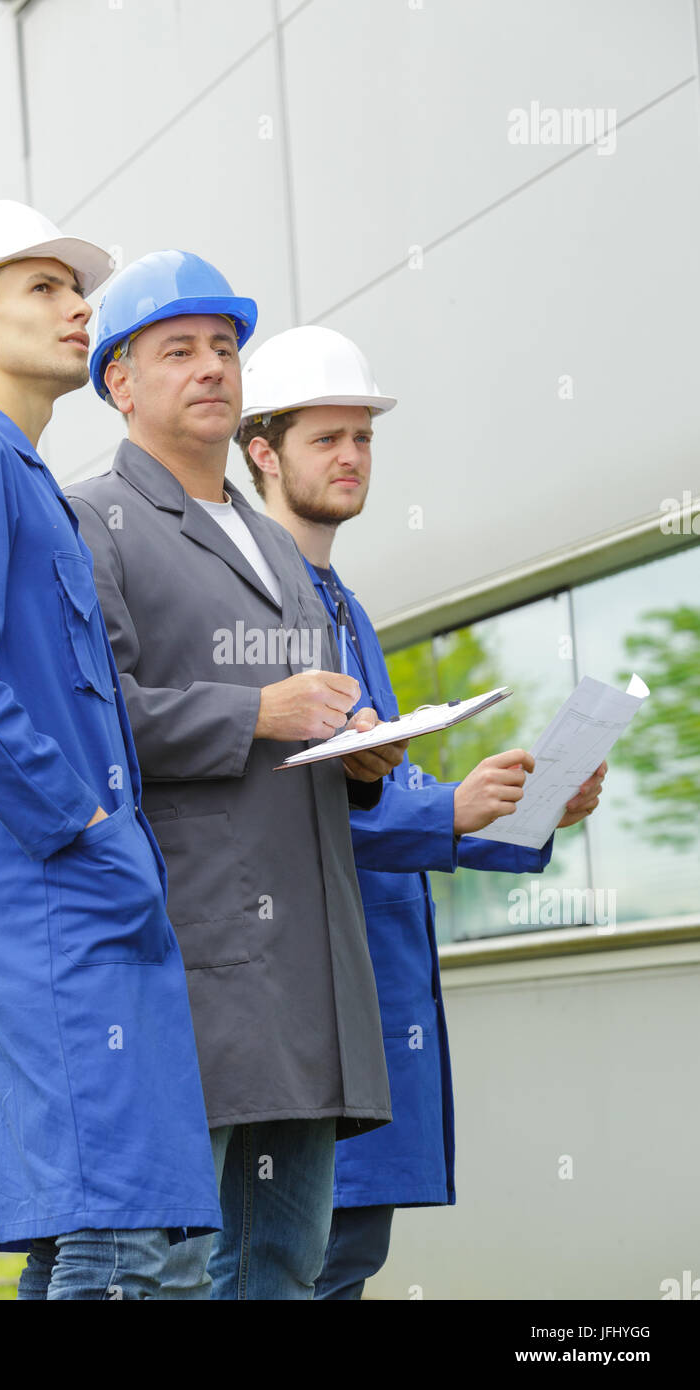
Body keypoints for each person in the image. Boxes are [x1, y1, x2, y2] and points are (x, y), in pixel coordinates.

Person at [0, 201, 222, 1301]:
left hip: (64, 885)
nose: (82, 308)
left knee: (85, 1222)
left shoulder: (17, 473)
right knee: (127, 1235)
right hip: (46, 883)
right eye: (46, 289)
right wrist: (80, 824)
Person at [65, 250, 409, 1300]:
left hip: (304, 977)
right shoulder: (89, 523)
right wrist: (255, 711)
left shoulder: (274, 545)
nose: (212, 367)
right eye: (179, 350)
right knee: (163, 1265)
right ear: (118, 380)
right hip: (193, 961)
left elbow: (306, 731)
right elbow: (92, 722)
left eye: (224, 347)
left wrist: (361, 757)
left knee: (280, 1266)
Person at [238, 324, 608, 1299]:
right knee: (292, 1266)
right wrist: (450, 808)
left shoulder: (343, 604)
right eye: (326, 438)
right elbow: (286, 805)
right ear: (261, 451)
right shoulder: (248, 606)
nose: (352, 457)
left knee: (346, 1259)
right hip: (304, 1004)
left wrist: (518, 811)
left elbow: (374, 786)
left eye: (362, 437)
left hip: (374, 986)